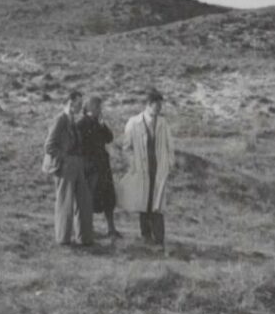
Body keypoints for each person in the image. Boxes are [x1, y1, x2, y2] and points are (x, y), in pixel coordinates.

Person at [121, 88, 175, 249]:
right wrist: (133, 165)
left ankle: (159, 239)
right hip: (142, 170)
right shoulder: (134, 123)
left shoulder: (163, 123)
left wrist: (169, 164)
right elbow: (126, 147)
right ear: (149, 104)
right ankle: (146, 236)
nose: (159, 109)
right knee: (143, 203)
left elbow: (170, 146)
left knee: (157, 205)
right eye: (157, 106)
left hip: (159, 169)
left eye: (160, 106)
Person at [42, 91, 94, 248]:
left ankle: (84, 238)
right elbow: (49, 146)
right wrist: (64, 158)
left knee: (84, 203)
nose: (81, 107)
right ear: (70, 103)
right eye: (78, 104)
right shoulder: (60, 120)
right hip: (66, 166)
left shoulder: (72, 121)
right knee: (65, 203)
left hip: (77, 164)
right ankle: (63, 238)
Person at [77, 95, 120, 240]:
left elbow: (109, 138)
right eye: (97, 107)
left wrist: (102, 125)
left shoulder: (99, 123)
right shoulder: (81, 124)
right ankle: (89, 229)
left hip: (102, 166)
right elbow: (79, 145)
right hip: (90, 167)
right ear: (90, 108)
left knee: (108, 197)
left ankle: (111, 228)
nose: (100, 110)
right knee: (90, 198)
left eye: (100, 107)